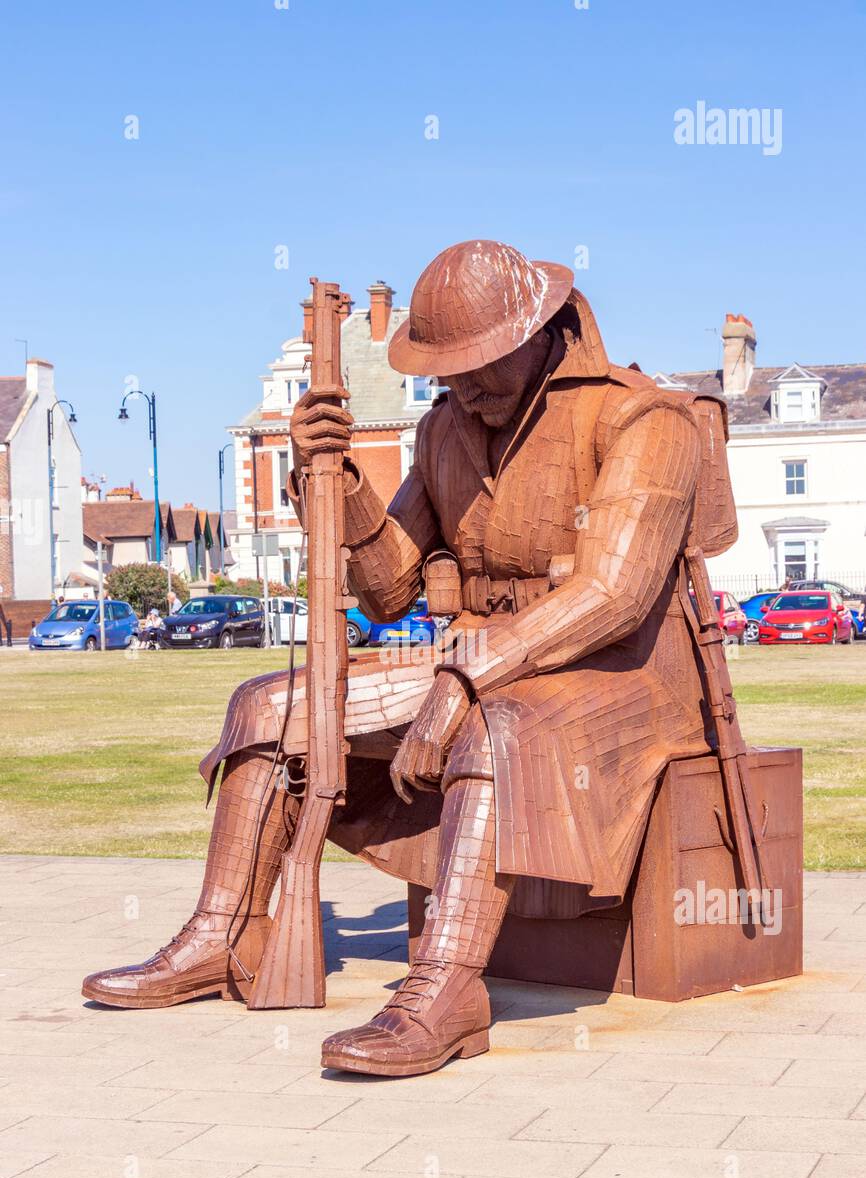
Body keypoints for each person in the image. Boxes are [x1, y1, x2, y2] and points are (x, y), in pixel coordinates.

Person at [82, 239, 735, 1078]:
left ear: (536, 333)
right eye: (450, 370)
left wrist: (467, 675)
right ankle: (225, 935)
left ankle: (446, 988)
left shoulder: (642, 418)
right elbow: (389, 590)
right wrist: (338, 478)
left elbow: (614, 593)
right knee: (267, 707)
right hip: (488, 664)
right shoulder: (442, 432)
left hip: (629, 677)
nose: (466, 384)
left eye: (482, 362)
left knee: (497, 726)